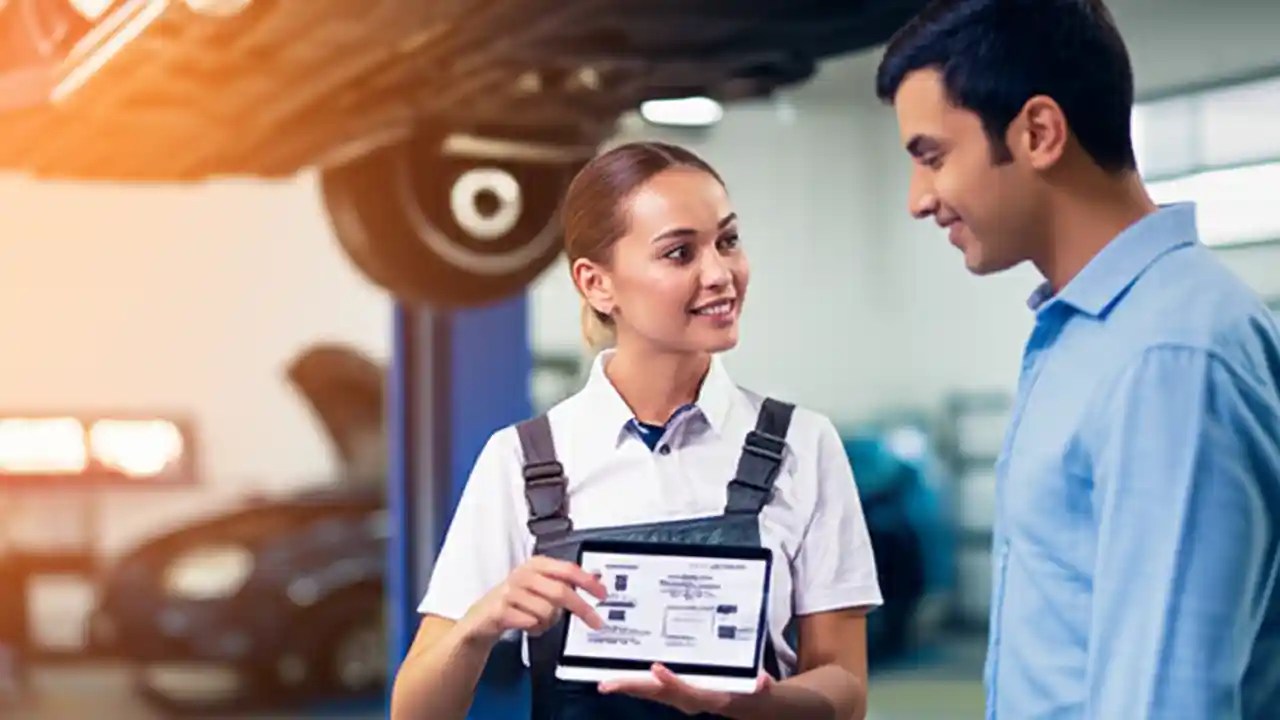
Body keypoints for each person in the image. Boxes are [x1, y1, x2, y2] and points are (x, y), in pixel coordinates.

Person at [875, 1, 1280, 718]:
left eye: (932, 157)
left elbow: (1168, 701)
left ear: (1038, 132)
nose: (918, 199)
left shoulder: (1170, 356)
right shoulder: (1092, 332)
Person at [389, 141, 883, 720]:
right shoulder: (522, 461)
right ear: (597, 284)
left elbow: (846, 690)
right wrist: (481, 623)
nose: (721, 274)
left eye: (727, 241)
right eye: (680, 253)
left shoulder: (803, 443)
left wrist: (746, 702)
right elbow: (415, 712)